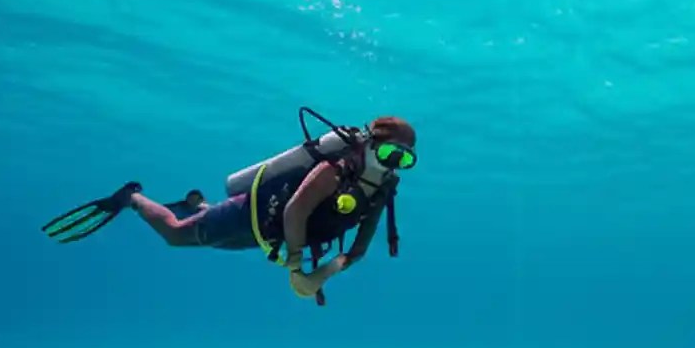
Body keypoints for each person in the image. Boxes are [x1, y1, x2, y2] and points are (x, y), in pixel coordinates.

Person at [42, 114, 417, 302]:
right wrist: (297, 266)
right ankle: (131, 197)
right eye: (387, 153)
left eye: (403, 160)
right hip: (251, 214)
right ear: (369, 145)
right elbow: (295, 213)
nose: (391, 165)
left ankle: (200, 205)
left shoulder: (380, 191)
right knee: (176, 235)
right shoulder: (332, 171)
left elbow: (358, 251)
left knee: (211, 240)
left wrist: (324, 273)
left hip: (264, 237)